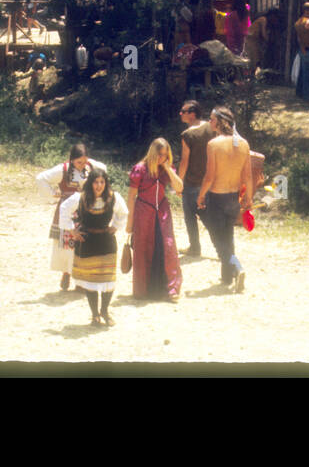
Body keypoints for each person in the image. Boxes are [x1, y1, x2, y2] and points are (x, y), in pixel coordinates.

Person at [196, 107, 253, 291]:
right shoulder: (243, 144)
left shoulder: (213, 144)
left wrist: (201, 195)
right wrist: (248, 198)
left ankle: (236, 267)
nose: (210, 122)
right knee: (227, 235)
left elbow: (209, 176)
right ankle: (227, 277)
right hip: (234, 197)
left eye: (212, 119)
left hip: (217, 196)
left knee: (217, 238)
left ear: (220, 122)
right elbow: (248, 176)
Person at [61, 168, 127, 326]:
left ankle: (104, 311)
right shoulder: (81, 198)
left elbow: (123, 213)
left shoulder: (113, 197)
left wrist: (116, 226)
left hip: (106, 242)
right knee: (90, 281)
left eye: (102, 182)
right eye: (96, 182)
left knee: (108, 280)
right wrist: (72, 230)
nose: (99, 186)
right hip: (87, 242)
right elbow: (64, 209)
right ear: (90, 183)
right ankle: (95, 315)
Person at [35, 142, 104, 291]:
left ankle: (80, 280)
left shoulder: (90, 167)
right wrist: (53, 194)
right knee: (68, 246)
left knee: (84, 244)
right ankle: (66, 273)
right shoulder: (63, 170)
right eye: (79, 162)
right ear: (72, 159)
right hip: (68, 211)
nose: (82, 165)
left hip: (85, 211)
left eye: (84, 161)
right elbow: (41, 178)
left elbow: (104, 169)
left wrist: (88, 162)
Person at [126, 137, 183, 301]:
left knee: (167, 247)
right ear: (153, 152)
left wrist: (168, 168)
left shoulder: (167, 169)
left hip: (162, 212)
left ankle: (171, 288)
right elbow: (131, 197)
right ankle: (144, 290)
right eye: (159, 154)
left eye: (165, 154)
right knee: (143, 247)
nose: (162, 157)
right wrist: (130, 223)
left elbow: (180, 188)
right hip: (143, 211)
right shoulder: (140, 169)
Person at [177, 100, 215, 258]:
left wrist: (178, 182)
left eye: (183, 111)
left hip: (192, 181)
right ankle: (222, 245)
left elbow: (185, 161)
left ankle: (195, 248)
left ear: (192, 114)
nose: (180, 113)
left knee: (189, 216)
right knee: (207, 215)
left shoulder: (187, 135)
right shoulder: (211, 127)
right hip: (209, 180)